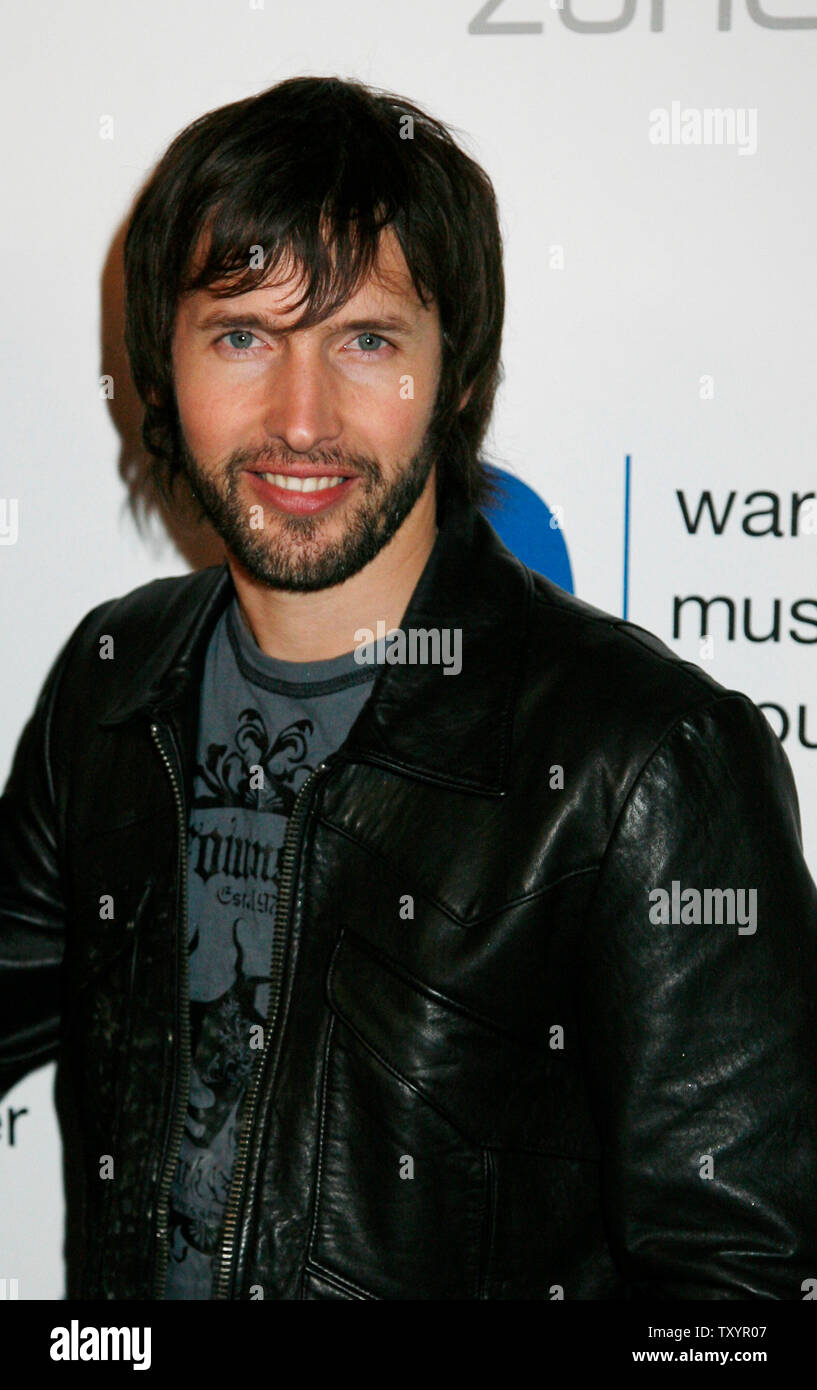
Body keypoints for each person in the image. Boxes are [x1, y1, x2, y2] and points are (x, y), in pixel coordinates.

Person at [1, 74, 815, 1302]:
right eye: (241, 337)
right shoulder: (116, 687)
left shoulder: (643, 759)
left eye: (366, 341)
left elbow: (741, 1295)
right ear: (160, 369)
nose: (300, 416)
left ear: (457, 372)